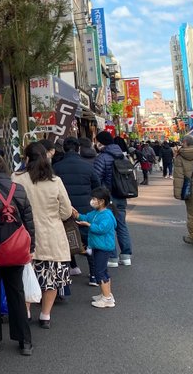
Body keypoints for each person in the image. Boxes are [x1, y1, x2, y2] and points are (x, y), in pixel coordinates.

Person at [0, 151, 34, 356]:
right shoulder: (18, 189)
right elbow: (29, 221)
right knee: (16, 292)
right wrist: (32, 247)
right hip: (16, 249)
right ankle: (24, 341)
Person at [13, 143, 73, 330]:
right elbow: (66, 211)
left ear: (27, 159)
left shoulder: (16, 178)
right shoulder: (55, 181)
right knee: (52, 278)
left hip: (23, 236)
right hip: (52, 236)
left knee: (25, 276)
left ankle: (27, 311)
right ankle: (45, 315)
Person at [53, 137, 100, 284]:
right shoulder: (88, 166)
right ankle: (94, 275)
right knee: (89, 241)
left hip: (65, 210)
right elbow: (97, 186)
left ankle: (70, 269)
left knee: (66, 239)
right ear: (78, 148)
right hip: (85, 209)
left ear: (64, 149)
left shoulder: (56, 167)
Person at [73, 187, 118, 309]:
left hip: (103, 248)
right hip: (99, 247)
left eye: (94, 199)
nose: (92, 201)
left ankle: (107, 298)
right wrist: (77, 215)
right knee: (103, 271)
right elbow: (86, 217)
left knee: (99, 272)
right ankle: (107, 294)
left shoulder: (106, 215)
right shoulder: (96, 213)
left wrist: (88, 225)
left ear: (102, 201)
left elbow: (100, 229)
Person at [93, 131, 133, 268]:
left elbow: (96, 178)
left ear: (100, 142)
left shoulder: (102, 158)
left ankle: (112, 257)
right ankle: (126, 256)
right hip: (121, 195)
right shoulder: (122, 156)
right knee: (121, 225)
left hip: (108, 197)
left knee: (108, 227)